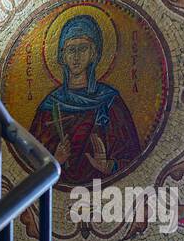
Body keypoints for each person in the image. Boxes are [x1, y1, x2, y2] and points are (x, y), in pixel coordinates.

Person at [28, 14, 142, 184]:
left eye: (82, 49)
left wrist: (109, 166)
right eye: (70, 50)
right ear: (62, 56)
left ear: (94, 53)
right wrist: (55, 160)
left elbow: (132, 156)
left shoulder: (110, 101)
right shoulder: (50, 105)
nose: (76, 57)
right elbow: (30, 157)